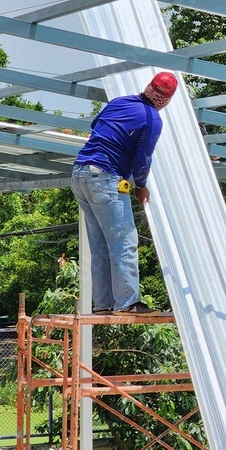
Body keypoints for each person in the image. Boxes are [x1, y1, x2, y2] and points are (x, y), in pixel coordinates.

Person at [71, 72, 178, 316]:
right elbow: (143, 159)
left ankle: (103, 304)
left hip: (80, 173)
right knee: (124, 240)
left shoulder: (119, 101)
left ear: (148, 87)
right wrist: (141, 185)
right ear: (166, 101)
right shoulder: (152, 120)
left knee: (99, 241)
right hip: (105, 176)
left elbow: (97, 126)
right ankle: (128, 302)